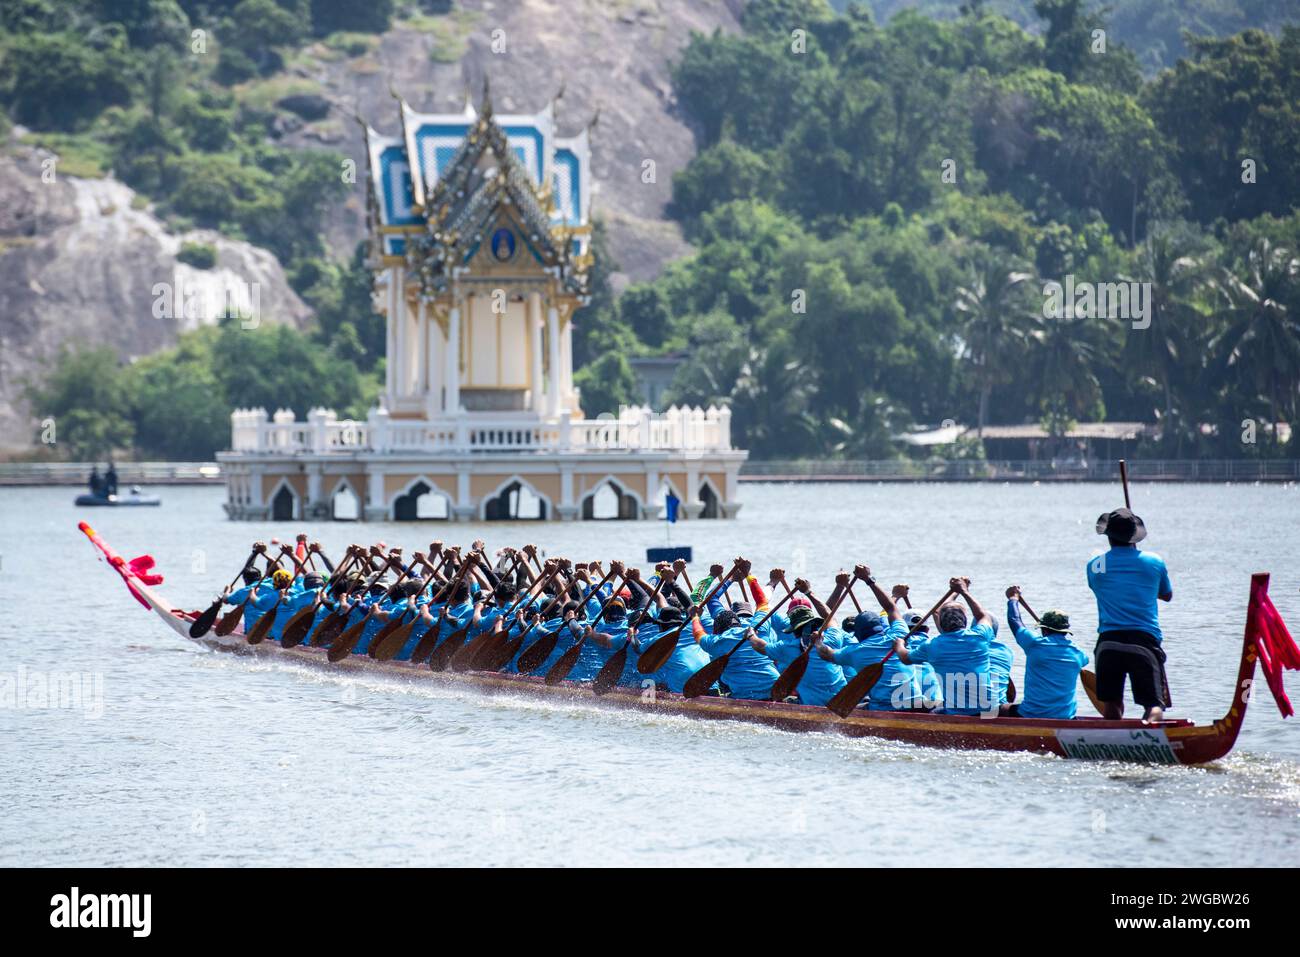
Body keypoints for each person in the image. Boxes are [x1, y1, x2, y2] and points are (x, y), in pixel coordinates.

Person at [1087, 507, 1173, 721]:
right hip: (1143, 641)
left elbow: (1100, 585)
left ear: (1108, 537)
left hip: (1108, 643)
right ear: (1134, 537)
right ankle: (1150, 738)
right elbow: (1166, 594)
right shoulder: (1154, 561)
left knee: (1112, 705)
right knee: (1154, 705)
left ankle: (1112, 746)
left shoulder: (1096, 565)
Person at [816, 570, 925, 710]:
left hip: (883, 708)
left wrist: (818, 642)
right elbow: (891, 608)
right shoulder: (899, 635)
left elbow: (826, 654)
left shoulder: (854, 652)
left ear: (858, 635)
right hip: (916, 705)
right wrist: (869, 580)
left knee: (846, 710)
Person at [893, 577, 996, 715]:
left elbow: (905, 658)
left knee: (932, 713)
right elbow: (982, 615)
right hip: (989, 711)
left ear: (940, 624)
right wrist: (963, 591)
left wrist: (899, 645)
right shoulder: (980, 636)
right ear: (965, 622)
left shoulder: (932, 646)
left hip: (956, 713)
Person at [1003, 586, 1088, 719]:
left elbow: (1014, 621)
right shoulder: (1079, 654)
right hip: (1065, 717)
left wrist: (1013, 599)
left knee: (997, 709)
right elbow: (1085, 659)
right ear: (1066, 631)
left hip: (1030, 714)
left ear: (1044, 630)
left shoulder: (1034, 644)